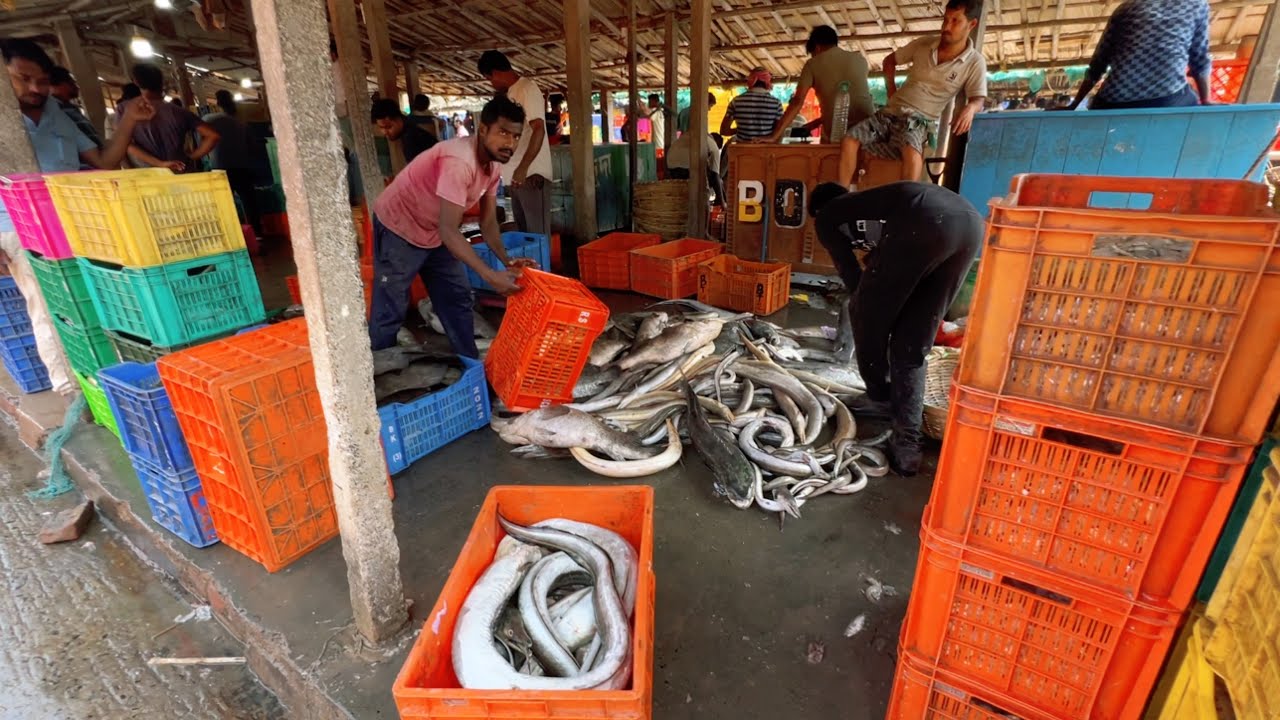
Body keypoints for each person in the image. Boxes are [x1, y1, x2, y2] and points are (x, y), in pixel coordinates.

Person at [1, 39, 157, 394]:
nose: (35, 88)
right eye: (23, 79)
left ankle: (111, 378)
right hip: (19, 228)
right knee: (49, 307)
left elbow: (103, 163)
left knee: (97, 299)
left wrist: (130, 120)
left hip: (75, 220)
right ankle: (71, 387)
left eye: (41, 80)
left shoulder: (56, 111)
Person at [809, 181, 982, 475]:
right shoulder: (875, 205)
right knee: (913, 344)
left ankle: (880, 396)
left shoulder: (827, 216)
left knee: (862, 311)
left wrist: (871, 314)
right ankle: (907, 444)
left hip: (926, 222)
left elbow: (852, 277)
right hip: (971, 226)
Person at [368, 96, 537, 357]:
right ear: (483, 130)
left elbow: (489, 222)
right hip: (398, 226)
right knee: (390, 307)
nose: (510, 143)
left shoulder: (492, 168)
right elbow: (449, 230)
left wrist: (506, 261)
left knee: (456, 298)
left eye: (515, 137)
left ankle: (469, 365)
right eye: (503, 133)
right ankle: (383, 378)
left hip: (434, 230)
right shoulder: (459, 161)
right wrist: (489, 275)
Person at [837, 0, 987, 188]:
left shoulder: (974, 62)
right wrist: (891, 90)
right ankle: (841, 197)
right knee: (850, 140)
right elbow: (889, 61)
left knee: (911, 151)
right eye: (945, 20)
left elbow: (978, 98)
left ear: (972, 24)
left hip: (917, 121)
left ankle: (908, 206)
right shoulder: (925, 44)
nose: (946, 27)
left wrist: (970, 109)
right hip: (888, 115)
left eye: (955, 21)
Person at [1067, 0, 1211, 110]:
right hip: (1165, 98)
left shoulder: (1126, 8)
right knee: (1191, 98)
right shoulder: (1197, 5)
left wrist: (1074, 104)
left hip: (1114, 99)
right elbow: (1199, 59)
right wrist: (1206, 100)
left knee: (1095, 103)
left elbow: (1098, 63)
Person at [479, 50, 553, 237]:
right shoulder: (511, 94)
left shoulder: (527, 89)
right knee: (525, 234)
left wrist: (523, 167)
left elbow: (538, 129)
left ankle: (542, 266)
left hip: (530, 174)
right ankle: (530, 267)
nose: (492, 84)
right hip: (517, 177)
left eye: (489, 79)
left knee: (537, 234)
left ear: (495, 73)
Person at [767, 26, 873, 145]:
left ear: (817, 47)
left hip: (836, 136)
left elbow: (797, 101)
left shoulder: (812, 64)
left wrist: (774, 137)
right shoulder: (860, 60)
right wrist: (814, 124)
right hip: (868, 129)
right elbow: (846, 105)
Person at [122, 63, 219, 172]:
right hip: (181, 170)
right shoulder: (179, 112)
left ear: (136, 82)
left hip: (148, 176)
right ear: (161, 82)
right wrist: (191, 157)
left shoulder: (125, 110)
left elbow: (126, 145)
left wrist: (160, 164)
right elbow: (213, 135)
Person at [203, 90, 263, 234]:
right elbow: (254, 148)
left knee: (224, 204)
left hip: (220, 168)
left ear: (217, 103)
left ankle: (231, 235)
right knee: (249, 203)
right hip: (242, 167)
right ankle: (257, 234)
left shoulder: (208, 120)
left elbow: (202, 144)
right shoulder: (241, 123)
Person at [720, 68, 783, 142]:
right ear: (768, 82)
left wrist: (740, 130)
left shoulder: (736, 102)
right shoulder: (776, 103)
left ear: (750, 80)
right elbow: (779, 132)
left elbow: (724, 131)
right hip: (765, 151)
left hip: (742, 150)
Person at [49, 65, 102, 151]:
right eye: (71, 83)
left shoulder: (69, 108)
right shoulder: (57, 111)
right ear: (57, 84)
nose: (76, 87)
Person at [371, 97, 437, 165]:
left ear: (398, 119)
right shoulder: (409, 128)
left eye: (388, 127)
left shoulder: (411, 137)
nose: (385, 132)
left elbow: (417, 172)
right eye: (381, 127)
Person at [666, 129, 724, 205]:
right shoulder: (714, 146)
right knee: (708, 179)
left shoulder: (691, 135)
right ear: (717, 144)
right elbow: (715, 175)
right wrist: (721, 201)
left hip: (671, 166)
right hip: (687, 169)